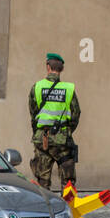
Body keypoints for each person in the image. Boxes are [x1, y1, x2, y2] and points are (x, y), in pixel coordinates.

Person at [29, 52, 80, 189]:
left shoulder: (37, 87)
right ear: (61, 69)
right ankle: (67, 208)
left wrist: (38, 132)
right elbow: (76, 113)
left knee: (42, 182)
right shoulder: (68, 89)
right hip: (62, 140)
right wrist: (67, 131)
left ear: (48, 67)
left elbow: (33, 113)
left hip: (42, 139)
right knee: (68, 181)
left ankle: (44, 209)